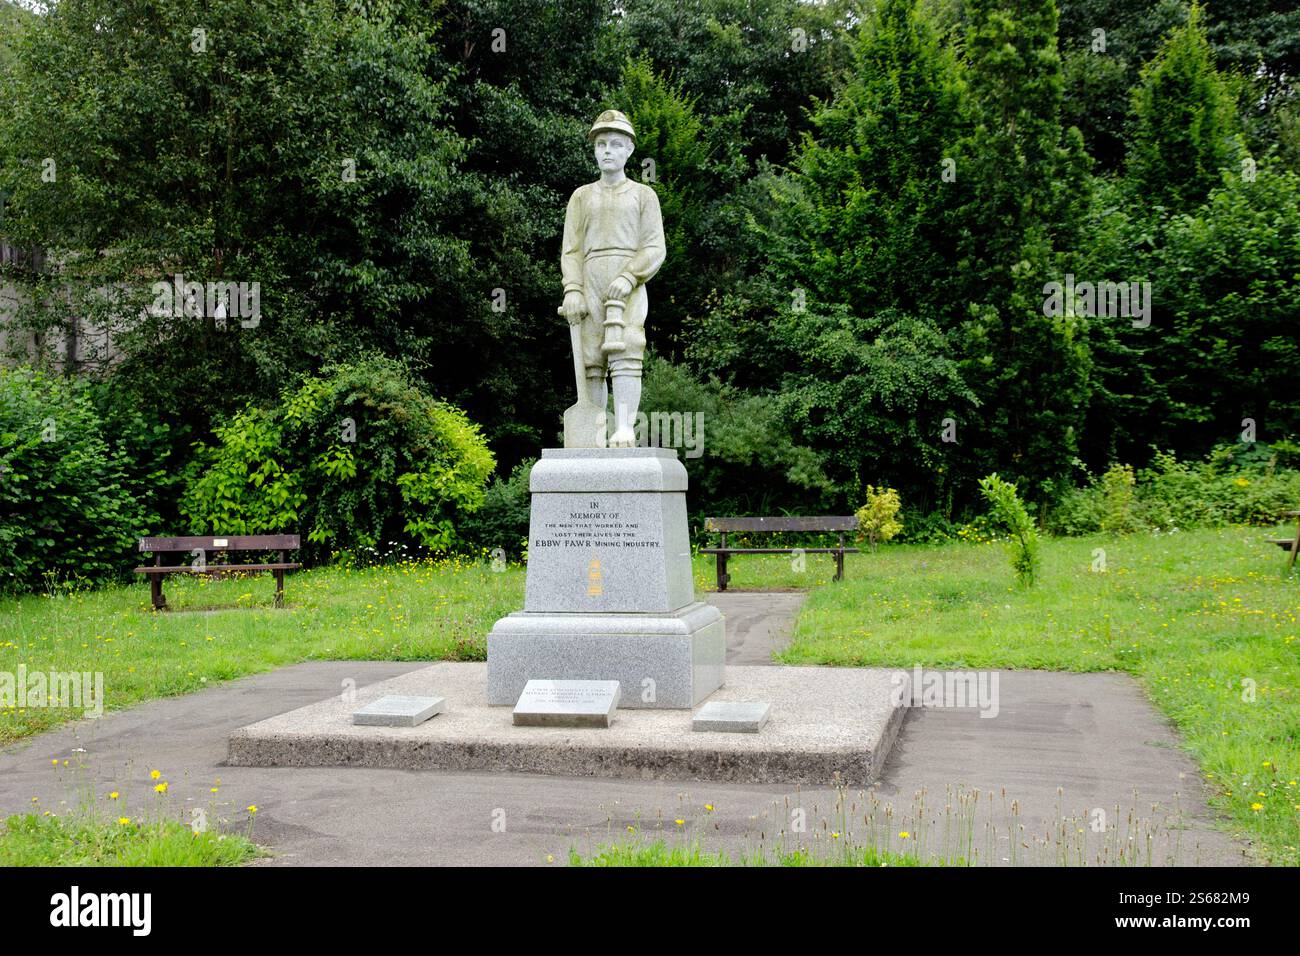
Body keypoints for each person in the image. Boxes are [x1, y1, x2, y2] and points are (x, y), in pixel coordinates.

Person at [560, 109, 666, 447]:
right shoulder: (581, 196)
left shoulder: (643, 195)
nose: (607, 150)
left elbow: (654, 247)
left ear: (629, 150)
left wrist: (631, 276)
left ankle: (623, 429)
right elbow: (571, 250)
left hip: (627, 287)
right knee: (591, 359)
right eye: (601, 143)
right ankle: (593, 433)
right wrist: (573, 289)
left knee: (626, 351)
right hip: (590, 279)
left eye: (615, 144)